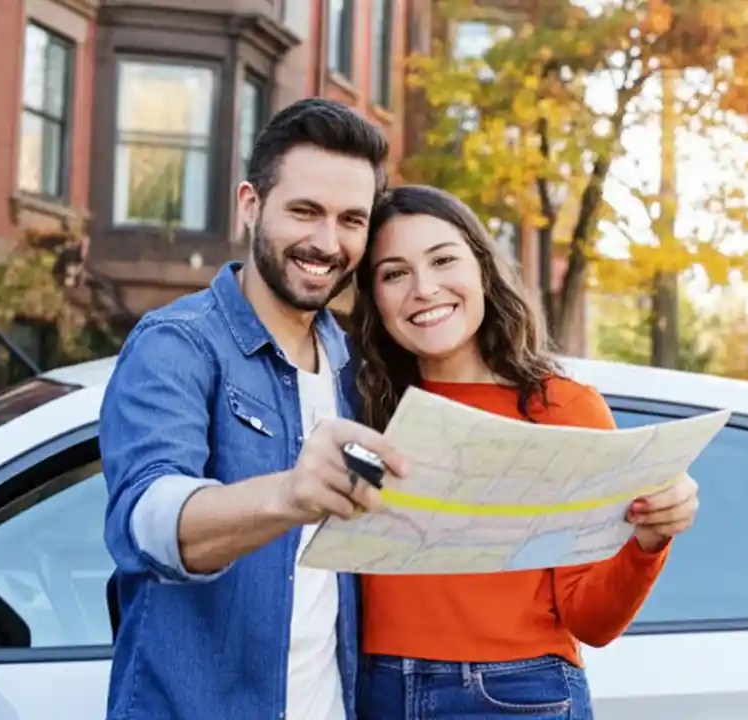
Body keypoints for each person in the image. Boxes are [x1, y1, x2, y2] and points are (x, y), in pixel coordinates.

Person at [98, 98, 408, 720]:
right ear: (250, 205)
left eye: (351, 219)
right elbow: (148, 519)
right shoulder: (177, 345)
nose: (327, 242)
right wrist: (292, 494)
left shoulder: (358, 369)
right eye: (304, 211)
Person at [349, 184, 701, 719]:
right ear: (374, 297)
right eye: (394, 273)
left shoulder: (562, 408)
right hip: (371, 692)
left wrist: (648, 541)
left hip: (517, 695)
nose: (423, 288)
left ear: (483, 269)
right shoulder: (360, 405)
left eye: (443, 260)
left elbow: (592, 622)